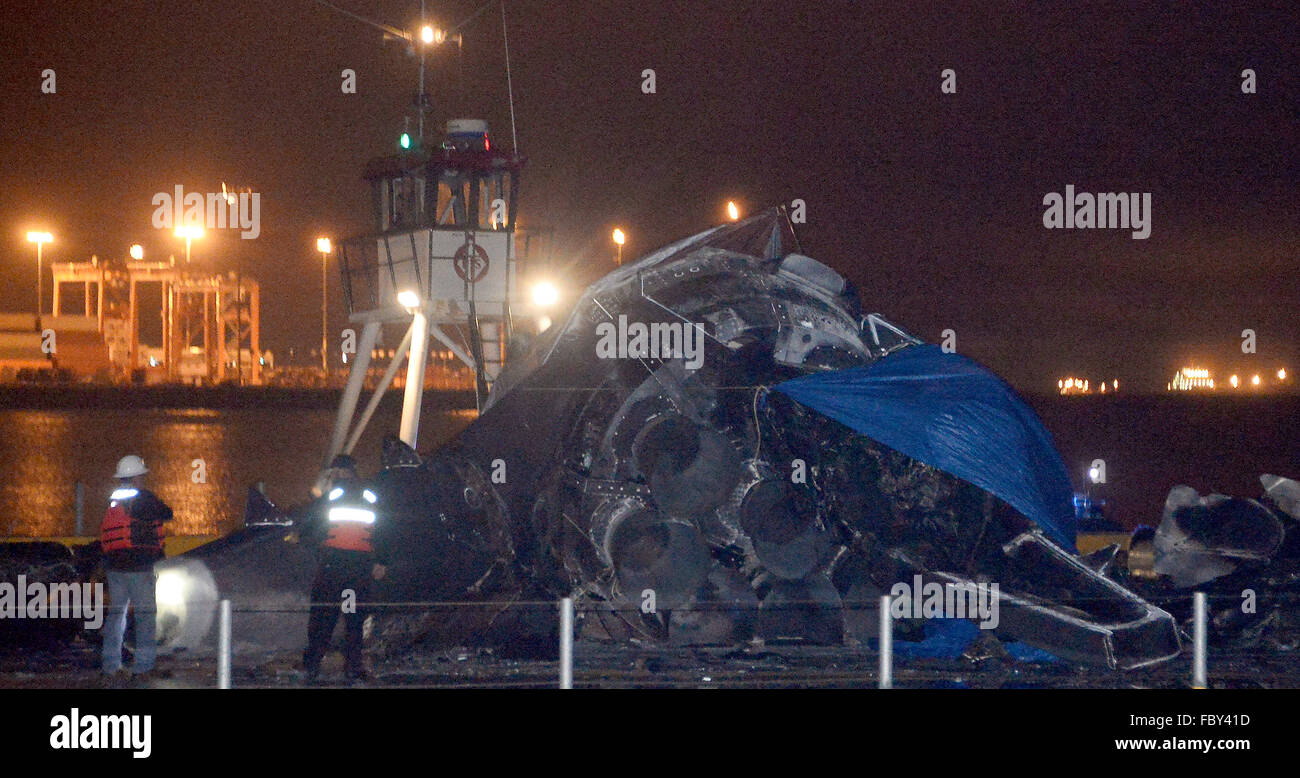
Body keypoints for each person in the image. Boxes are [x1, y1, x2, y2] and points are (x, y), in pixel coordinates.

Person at [297, 455, 388, 684]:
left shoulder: (331, 497)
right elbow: (385, 529)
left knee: (323, 617)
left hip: (334, 566)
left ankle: (313, 664)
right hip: (357, 568)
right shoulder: (370, 496)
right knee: (353, 619)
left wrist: (317, 550)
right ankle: (352, 668)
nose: (336, 476)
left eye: (337, 472)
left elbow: (310, 526)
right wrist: (382, 561)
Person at [99, 454, 173, 683]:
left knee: (116, 616)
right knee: (145, 616)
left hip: (114, 567)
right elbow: (167, 513)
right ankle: (143, 665)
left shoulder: (115, 499)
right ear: (137, 476)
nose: (144, 478)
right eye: (142, 475)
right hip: (138, 566)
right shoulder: (144, 498)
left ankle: (111, 665)